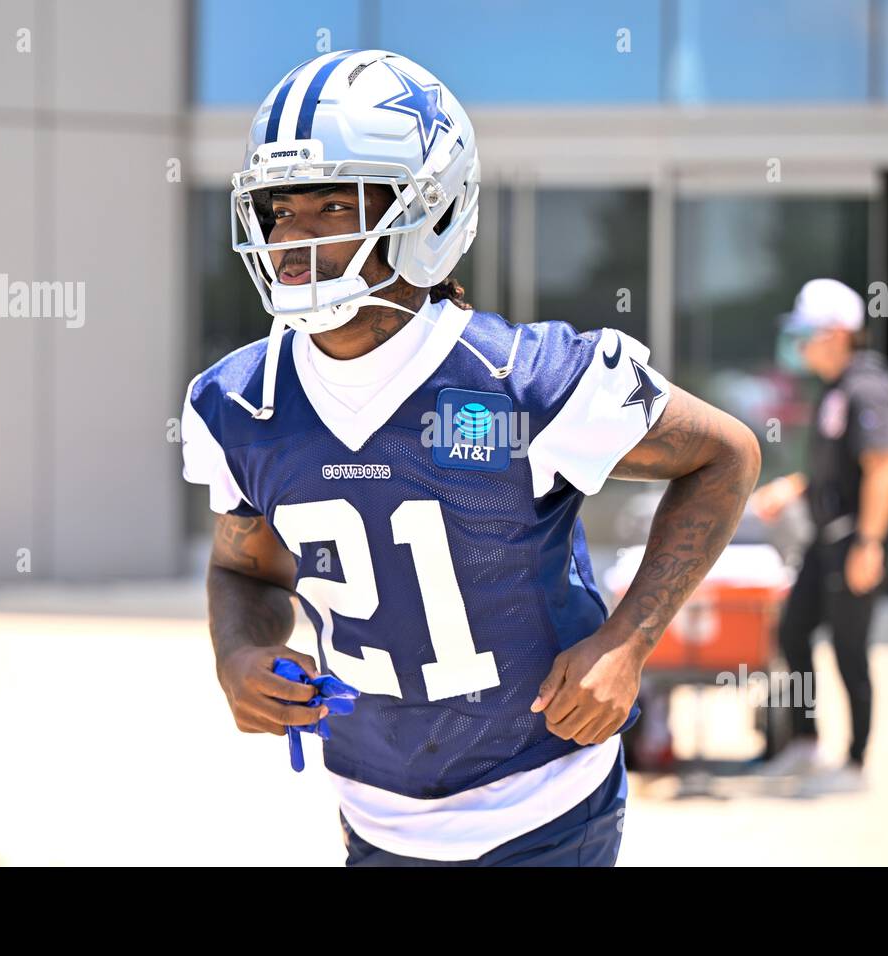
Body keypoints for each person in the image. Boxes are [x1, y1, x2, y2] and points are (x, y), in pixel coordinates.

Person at [180, 50, 760, 866]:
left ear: (429, 210)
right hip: (371, 815)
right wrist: (238, 653)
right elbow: (245, 571)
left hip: (546, 806)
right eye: (278, 209)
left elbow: (725, 456)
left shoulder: (526, 380)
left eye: (328, 205)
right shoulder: (240, 402)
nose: (290, 238)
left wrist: (630, 642)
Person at [752, 278, 888, 790]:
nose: (800, 346)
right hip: (828, 538)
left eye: (808, 334)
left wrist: (868, 545)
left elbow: (884, 469)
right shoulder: (837, 389)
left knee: (849, 646)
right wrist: (794, 488)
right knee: (795, 629)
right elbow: (836, 473)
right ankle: (804, 742)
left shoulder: (869, 387)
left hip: (857, 540)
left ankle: (855, 762)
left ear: (839, 334)